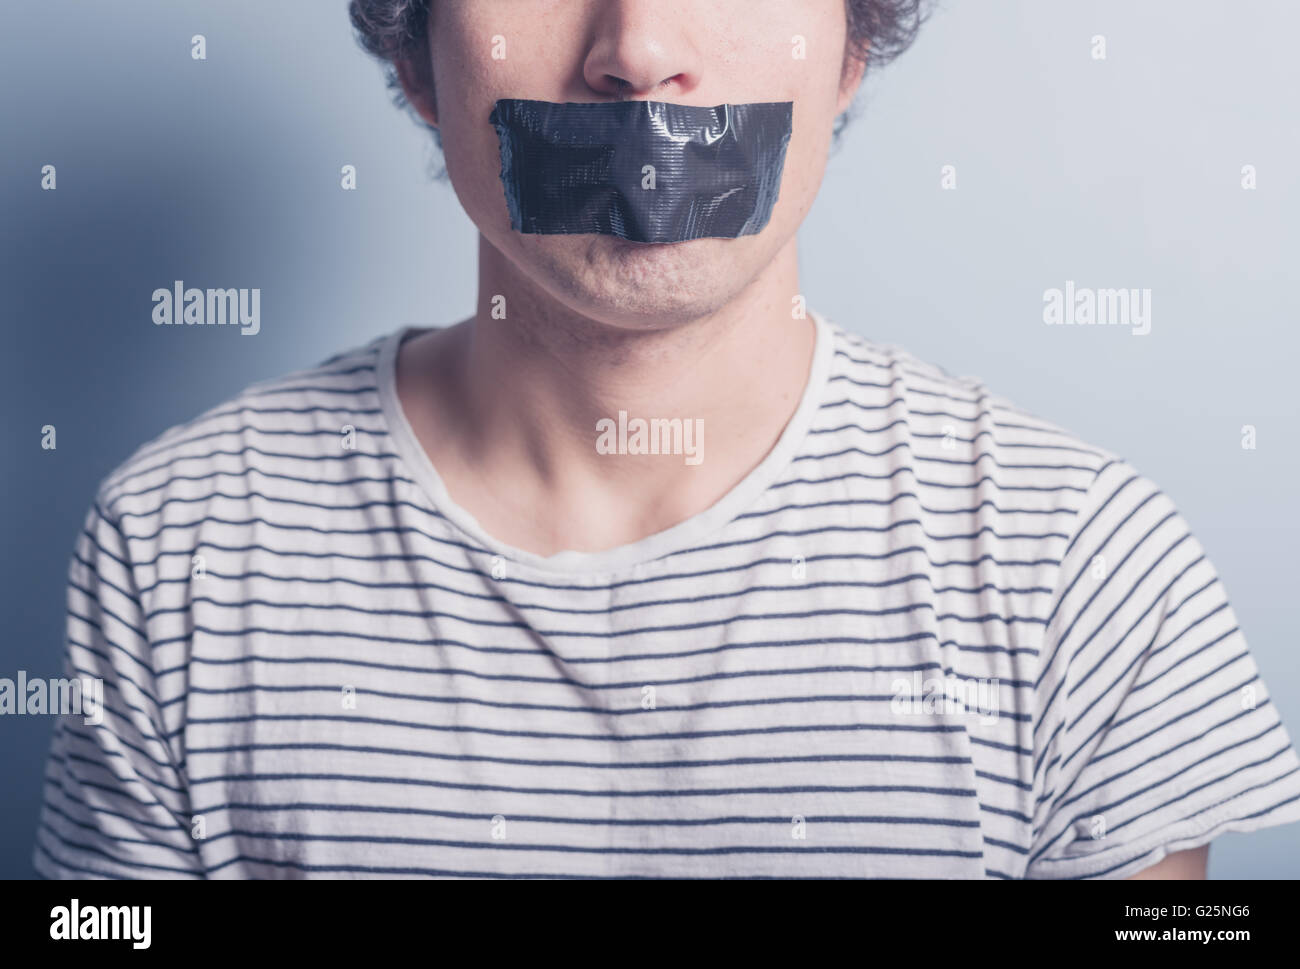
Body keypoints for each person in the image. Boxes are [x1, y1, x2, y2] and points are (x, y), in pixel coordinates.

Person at [34, 0, 1300, 879]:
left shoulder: (1079, 567)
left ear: (850, 47)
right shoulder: (178, 547)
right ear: (419, 60)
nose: (637, 53)